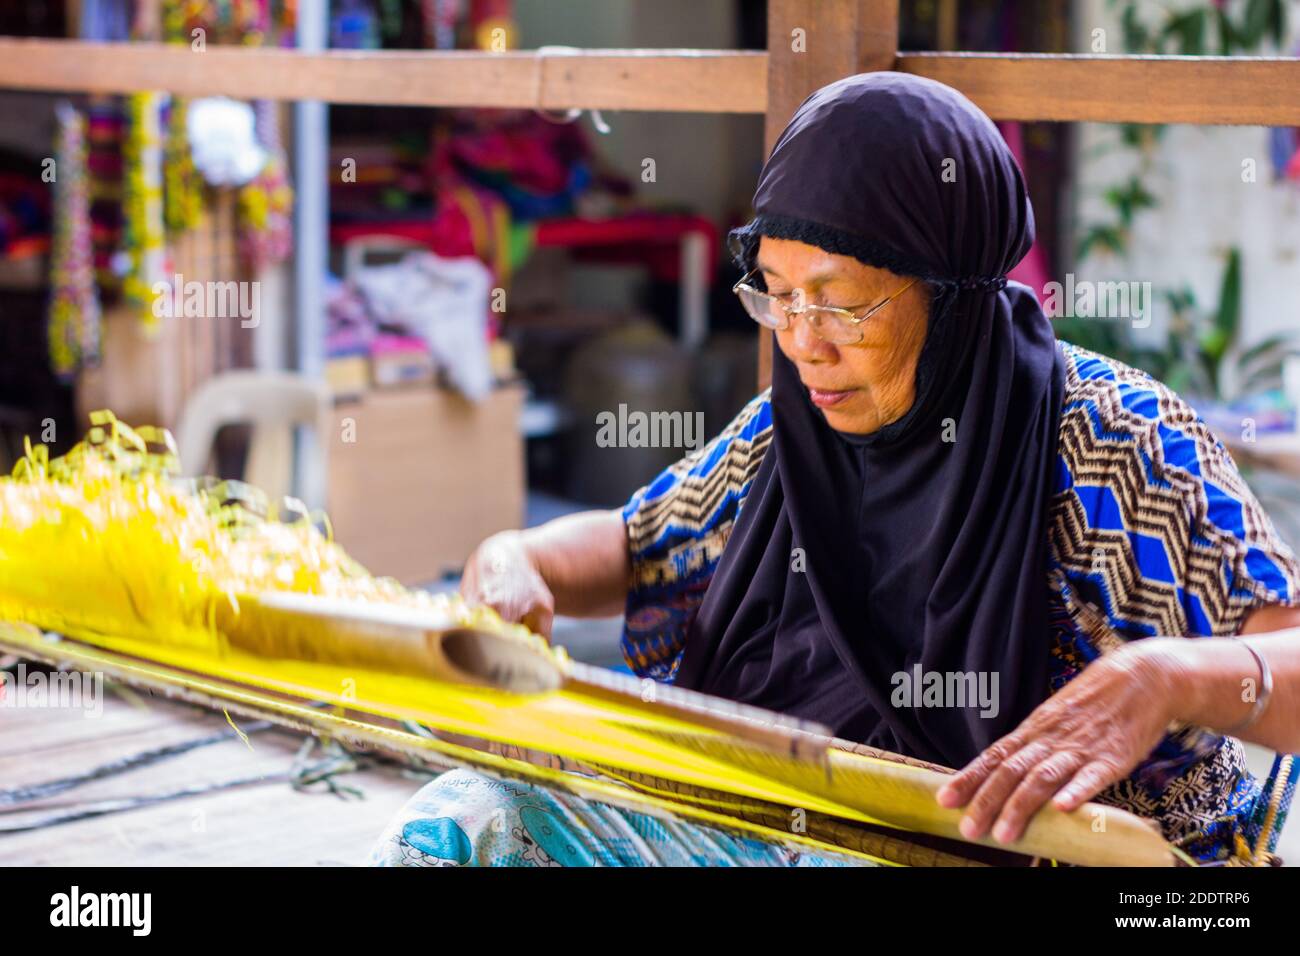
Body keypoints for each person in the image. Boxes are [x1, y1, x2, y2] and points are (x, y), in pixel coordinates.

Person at [371, 72, 1300, 867]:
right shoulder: (795, 437)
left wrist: (1172, 677)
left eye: (841, 304)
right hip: (784, 831)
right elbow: (633, 540)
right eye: (775, 298)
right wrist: (515, 560)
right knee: (471, 818)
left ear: (950, 289)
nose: (804, 344)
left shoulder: (1114, 443)